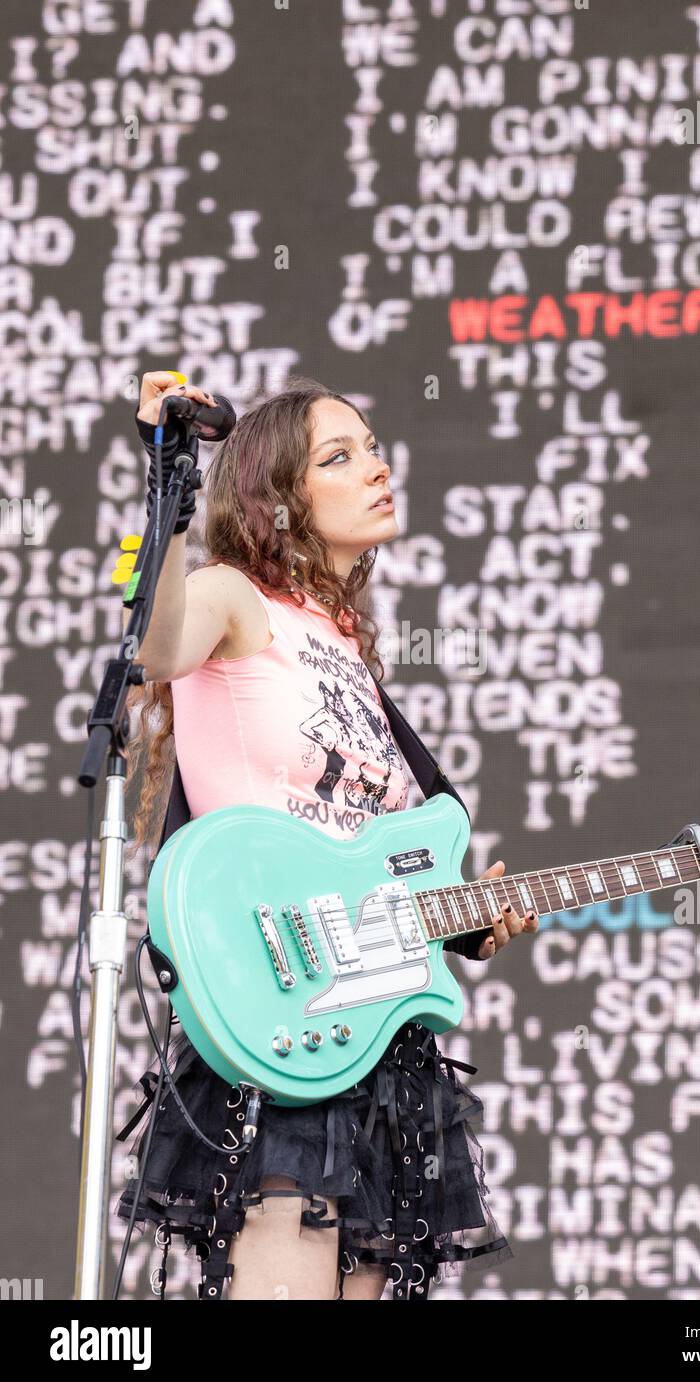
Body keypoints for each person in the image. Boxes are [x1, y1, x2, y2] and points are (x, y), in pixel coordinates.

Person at [114, 371, 538, 1301]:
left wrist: (464, 917)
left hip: (371, 1025)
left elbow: (364, 858)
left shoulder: (343, 645)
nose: (376, 468)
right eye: (338, 458)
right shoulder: (233, 596)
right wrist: (168, 485)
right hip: (276, 1007)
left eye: (373, 448)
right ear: (275, 501)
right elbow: (154, 645)